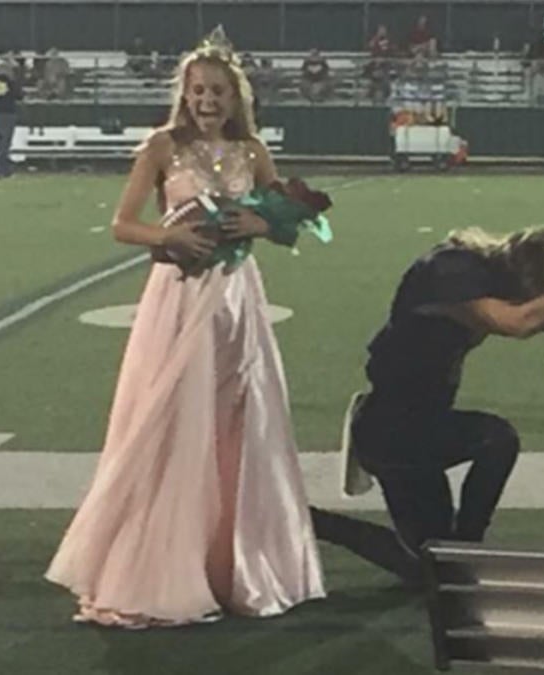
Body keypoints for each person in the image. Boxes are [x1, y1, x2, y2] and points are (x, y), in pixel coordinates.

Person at [44, 27, 325, 629]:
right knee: (173, 419)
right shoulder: (161, 147)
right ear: (185, 93)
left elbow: (291, 222)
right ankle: (163, 572)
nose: (207, 101)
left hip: (237, 300)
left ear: (236, 96)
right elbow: (124, 224)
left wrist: (268, 224)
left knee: (237, 422)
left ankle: (237, 567)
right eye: (198, 90)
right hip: (178, 298)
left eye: (218, 91)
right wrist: (167, 234)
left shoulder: (253, 151)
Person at [311, 219, 544, 585]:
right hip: (393, 430)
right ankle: (464, 545)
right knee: (496, 439)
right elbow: (519, 322)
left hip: (418, 424)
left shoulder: (478, 275)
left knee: (433, 570)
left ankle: (451, 549)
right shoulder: (449, 270)